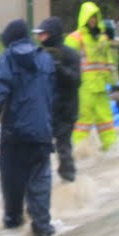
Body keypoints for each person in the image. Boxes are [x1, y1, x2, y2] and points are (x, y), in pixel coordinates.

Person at [0, 19, 57, 236]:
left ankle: (13, 226)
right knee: (40, 180)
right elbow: (53, 96)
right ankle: (42, 228)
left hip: (15, 134)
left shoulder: (8, 58)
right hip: (42, 133)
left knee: (11, 177)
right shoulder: (45, 59)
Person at [64, 1, 117, 151]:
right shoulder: (75, 38)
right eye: (90, 17)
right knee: (83, 122)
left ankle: (112, 150)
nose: (93, 20)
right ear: (84, 18)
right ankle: (78, 153)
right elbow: (66, 62)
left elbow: (108, 61)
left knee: (106, 121)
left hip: (100, 87)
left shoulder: (102, 39)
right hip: (83, 88)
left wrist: (113, 81)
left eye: (95, 17)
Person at [34, 16, 80, 181]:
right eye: (38, 35)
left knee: (63, 148)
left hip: (65, 109)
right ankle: (39, 181)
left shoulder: (70, 55)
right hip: (44, 109)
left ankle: (69, 181)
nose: (40, 38)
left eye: (43, 34)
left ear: (52, 34)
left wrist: (57, 67)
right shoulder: (38, 54)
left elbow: (76, 81)